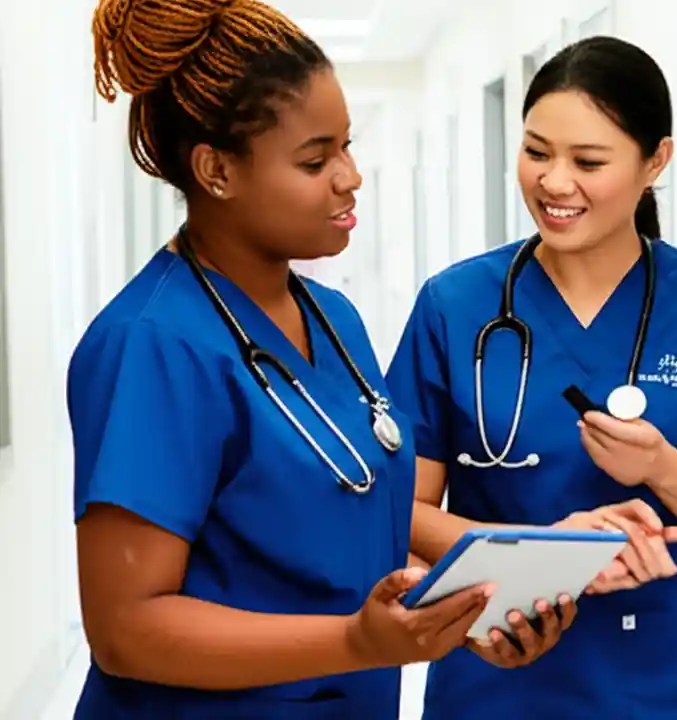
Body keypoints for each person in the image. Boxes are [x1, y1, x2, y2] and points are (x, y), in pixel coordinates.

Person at [71, 1, 555, 716]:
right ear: (216, 170)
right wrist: (359, 643)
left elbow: (342, 532)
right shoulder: (155, 345)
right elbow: (127, 628)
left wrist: (452, 614)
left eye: (347, 146)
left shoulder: (336, 323)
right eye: (315, 159)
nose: (350, 176)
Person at [384, 35, 677, 720]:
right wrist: (549, 554)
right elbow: (399, 512)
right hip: (494, 681)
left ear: (656, 161)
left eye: (588, 161)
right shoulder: (455, 307)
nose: (554, 182)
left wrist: (664, 468)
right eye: (536, 152)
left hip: (662, 689)